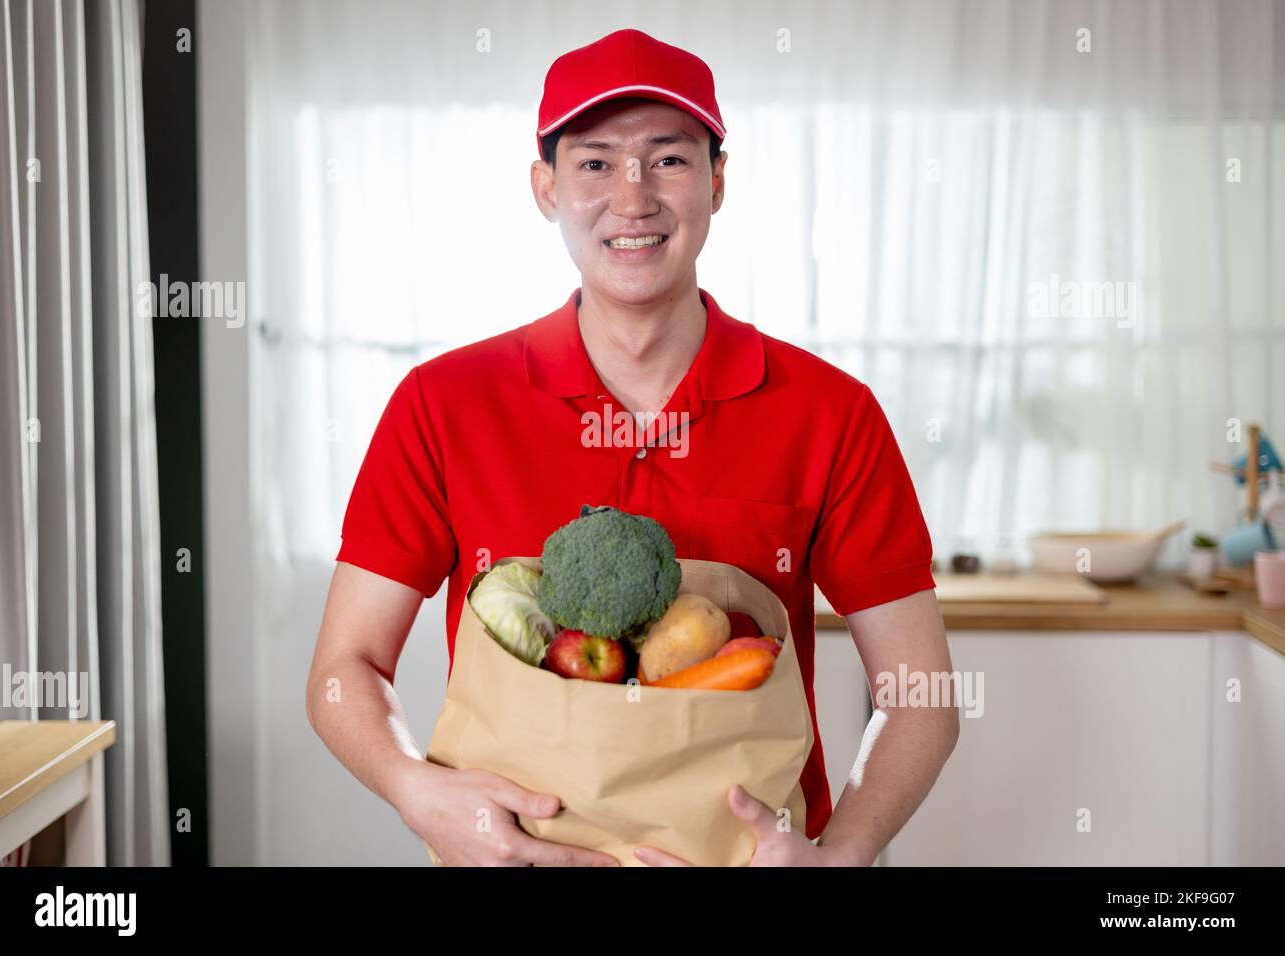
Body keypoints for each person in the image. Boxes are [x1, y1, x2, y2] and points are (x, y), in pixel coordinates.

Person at [306, 28, 958, 867]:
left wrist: (845, 853)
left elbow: (924, 694)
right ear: (545, 186)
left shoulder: (830, 413)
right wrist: (417, 792)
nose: (634, 195)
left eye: (670, 159)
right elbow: (345, 667)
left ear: (718, 182)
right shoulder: (443, 405)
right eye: (596, 162)